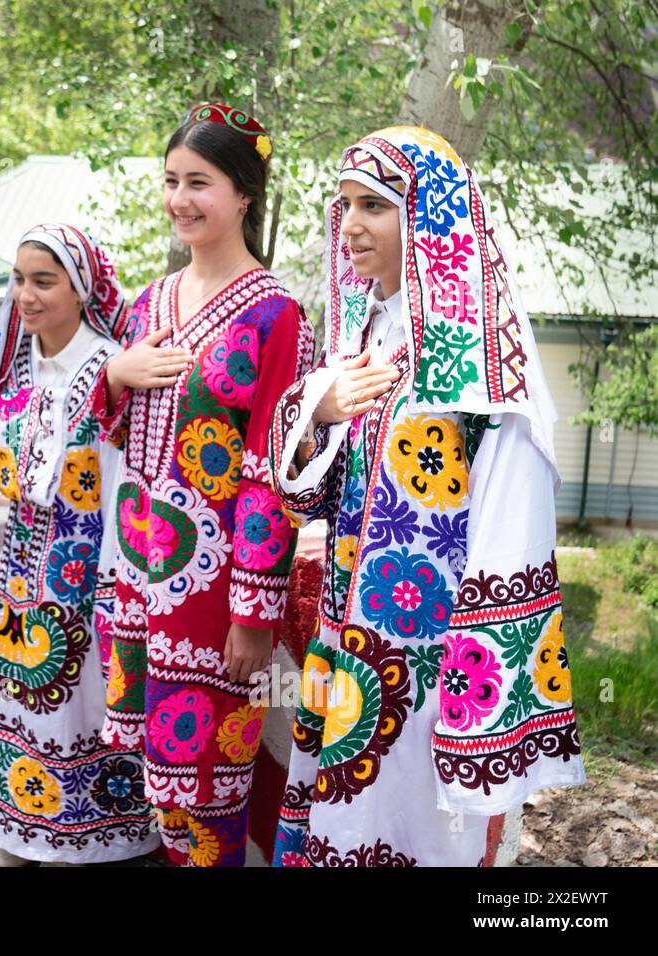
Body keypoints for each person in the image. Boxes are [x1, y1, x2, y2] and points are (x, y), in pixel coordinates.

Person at [269, 126, 586, 867]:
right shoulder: (371, 331)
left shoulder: (479, 344)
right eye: (343, 204)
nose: (350, 225)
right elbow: (307, 499)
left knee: (417, 827)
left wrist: (480, 686)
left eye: (374, 205)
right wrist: (319, 407)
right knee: (341, 823)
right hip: (347, 643)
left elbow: (515, 517)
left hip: (434, 657)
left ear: (428, 216)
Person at [91, 104, 313, 866]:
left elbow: (272, 470)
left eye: (200, 183)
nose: (180, 198)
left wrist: (254, 611)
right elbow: (117, 433)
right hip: (138, 568)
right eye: (171, 181)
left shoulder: (278, 315)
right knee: (160, 781)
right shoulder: (150, 302)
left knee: (210, 774)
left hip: (216, 587)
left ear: (244, 193)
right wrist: (113, 376)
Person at [0, 223, 159, 866]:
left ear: (83, 290)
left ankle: (85, 833)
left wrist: (94, 391)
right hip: (26, 556)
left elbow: (120, 456)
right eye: (19, 279)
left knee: (82, 694)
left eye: (44, 281)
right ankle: (23, 826)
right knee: (22, 686)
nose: (27, 295)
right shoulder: (13, 356)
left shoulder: (112, 361)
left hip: (93, 556)